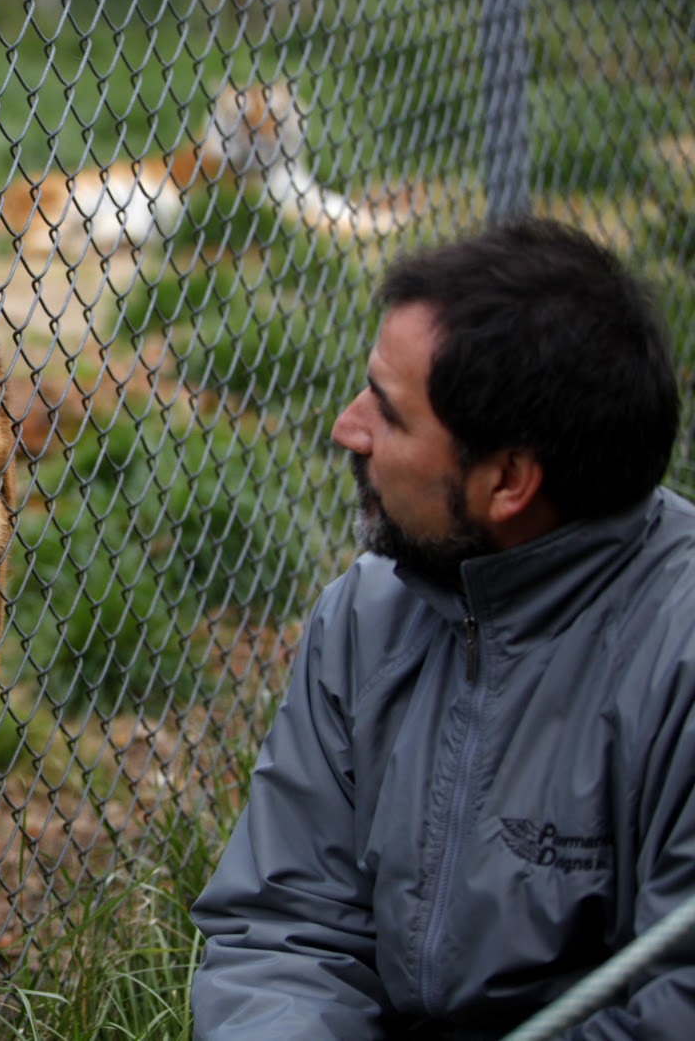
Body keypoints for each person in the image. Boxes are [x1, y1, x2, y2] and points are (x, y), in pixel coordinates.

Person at [190, 217, 695, 1039]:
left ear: (508, 482)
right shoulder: (367, 614)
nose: (346, 428)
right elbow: (283, 925)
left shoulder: (677, 659)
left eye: (389, 413)